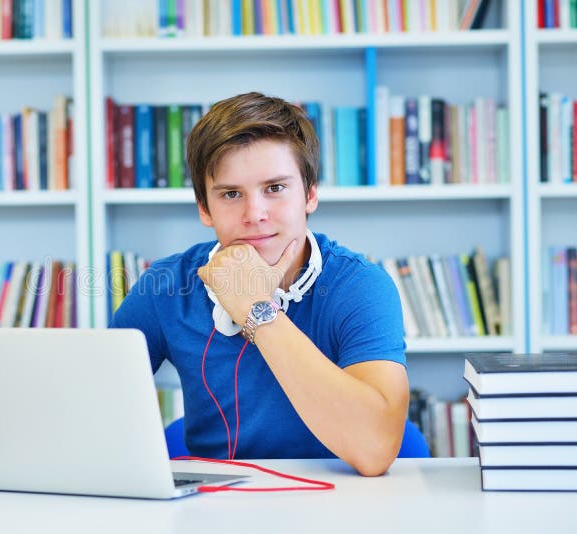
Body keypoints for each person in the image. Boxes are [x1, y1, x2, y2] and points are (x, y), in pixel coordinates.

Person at [110, 92, 409, 476]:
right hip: (214, 507)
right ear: (204, 208)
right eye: (231, 194)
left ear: (310, 194)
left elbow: (375, 448)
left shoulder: (361, 287)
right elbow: (90, 405)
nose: (255, 215)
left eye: (275, 188)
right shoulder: (166, 286)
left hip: (339, 505)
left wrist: (257, 311)